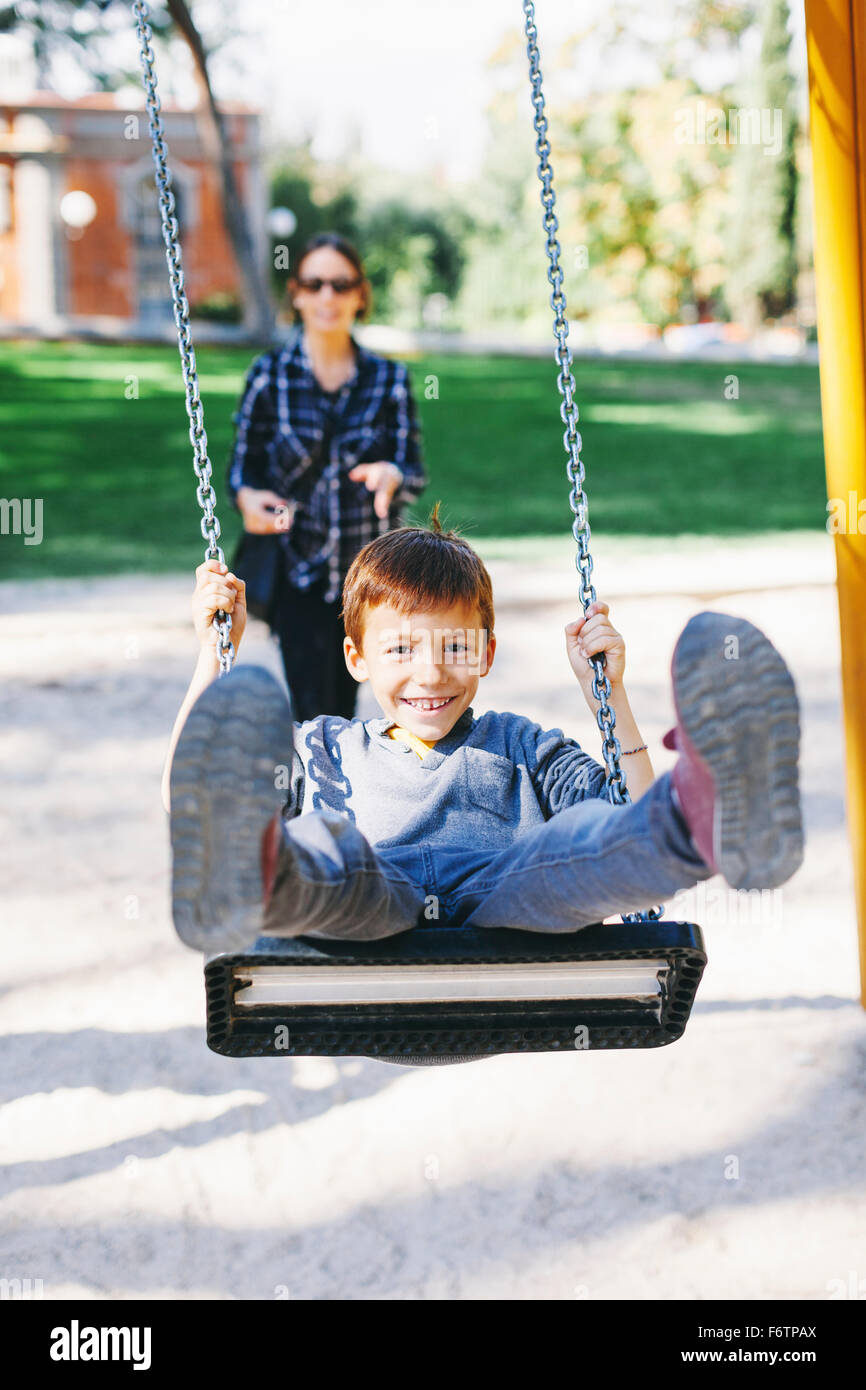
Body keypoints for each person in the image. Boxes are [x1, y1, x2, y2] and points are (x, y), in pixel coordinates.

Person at [162, 508, 804, 953]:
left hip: (506, 926)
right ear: (355, 659)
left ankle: (702, 814)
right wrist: (212, 656)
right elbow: (184, 798)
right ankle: (248, 870)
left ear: (488, 654)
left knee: (561, 856)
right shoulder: (324, 749)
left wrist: (607, 694)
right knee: (336, 855)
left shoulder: (524, 748)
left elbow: (620, 818)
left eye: (456, 647)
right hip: (373, 935)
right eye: (401, 650)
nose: (431, 671)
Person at [225, 231, 428, 720]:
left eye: (341, 284)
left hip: (373, 576)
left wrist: (391, 475)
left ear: (361, 295)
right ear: (295, 294)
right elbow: (242, 470)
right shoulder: (269, 377)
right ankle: (312, 797)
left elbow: (413, 469)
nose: (327, 297)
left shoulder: (389, 379)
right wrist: (248, 500)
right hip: (300, 570)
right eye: (315, 284)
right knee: (314, 713)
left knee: (357, 703)